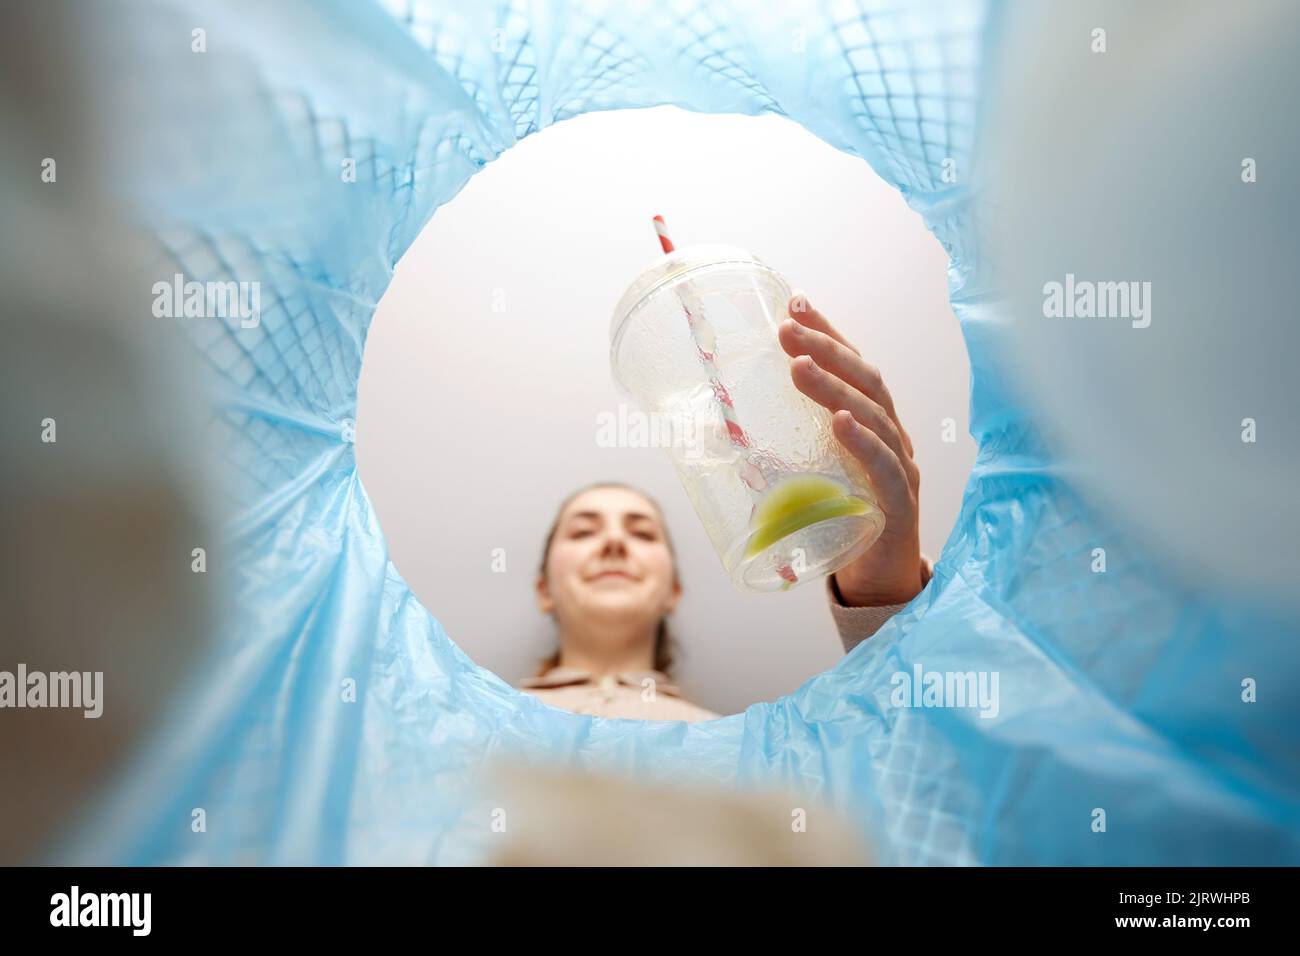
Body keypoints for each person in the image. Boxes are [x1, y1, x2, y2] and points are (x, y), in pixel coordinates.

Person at [517, 294, 933, 721]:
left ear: (673, 591)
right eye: (583, 531)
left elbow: (919, 770)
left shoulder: (742, 751)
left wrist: (881, 603)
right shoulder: (463, 719)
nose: (614, 544)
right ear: (543, 589)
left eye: (642, 533)